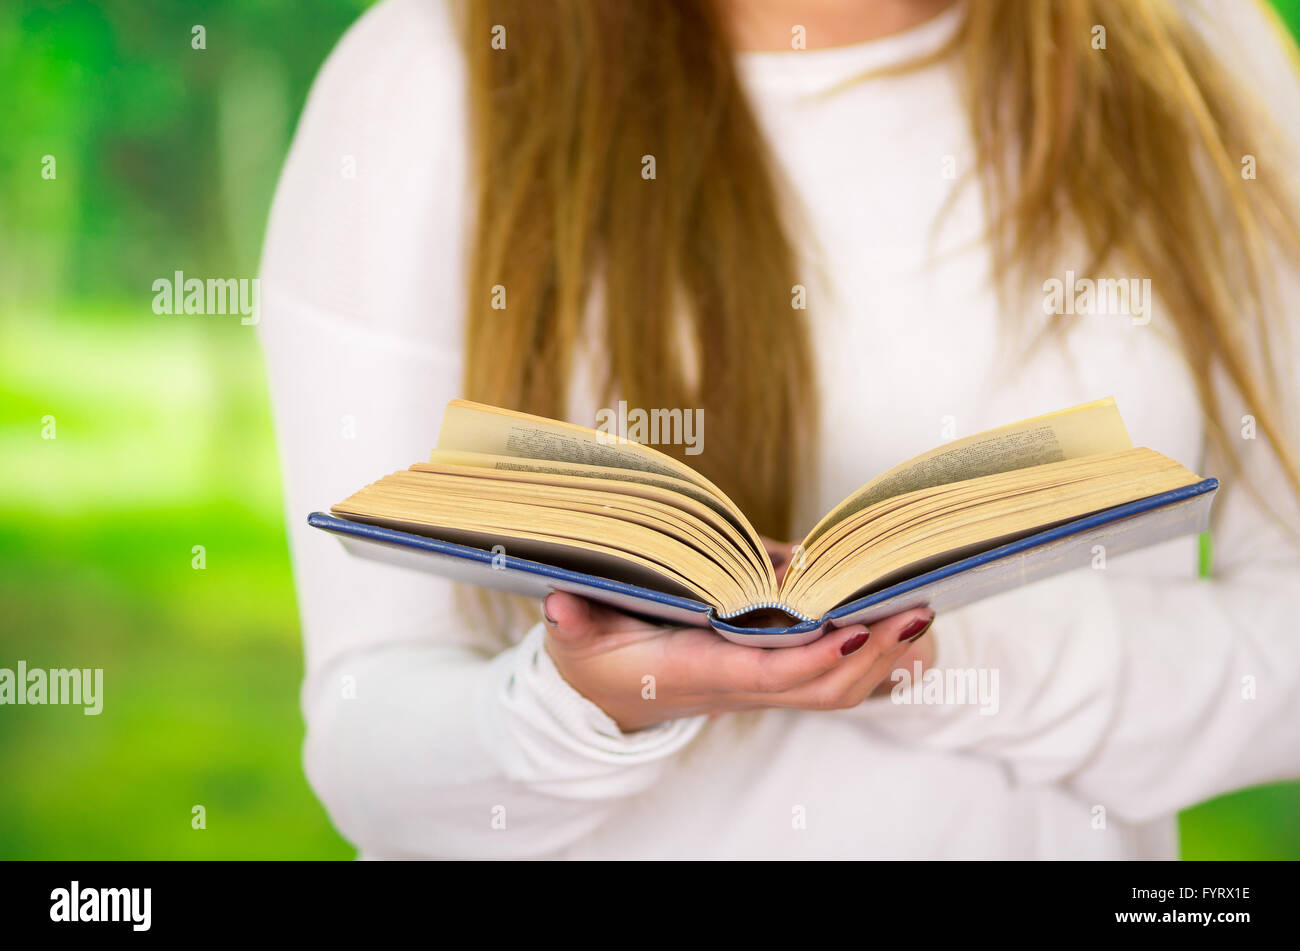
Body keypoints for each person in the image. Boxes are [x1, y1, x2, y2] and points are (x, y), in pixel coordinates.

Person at [257, 0, 1300, 858]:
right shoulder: (428, 73)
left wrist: (948, 658)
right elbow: (372, 752)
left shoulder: (1207, 50)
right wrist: (579, 710)